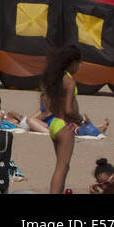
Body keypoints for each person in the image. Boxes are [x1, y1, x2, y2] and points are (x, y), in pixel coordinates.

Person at [40, 44, 85, 195]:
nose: (80, 66)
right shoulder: (69, 82)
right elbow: (69, 109)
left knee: (63, 166)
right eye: (79, 63)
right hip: (65, 125)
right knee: (61, 168)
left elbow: (46, 107)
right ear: (72, 63)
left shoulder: (55, 79)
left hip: (54, 123)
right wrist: (80, 118)